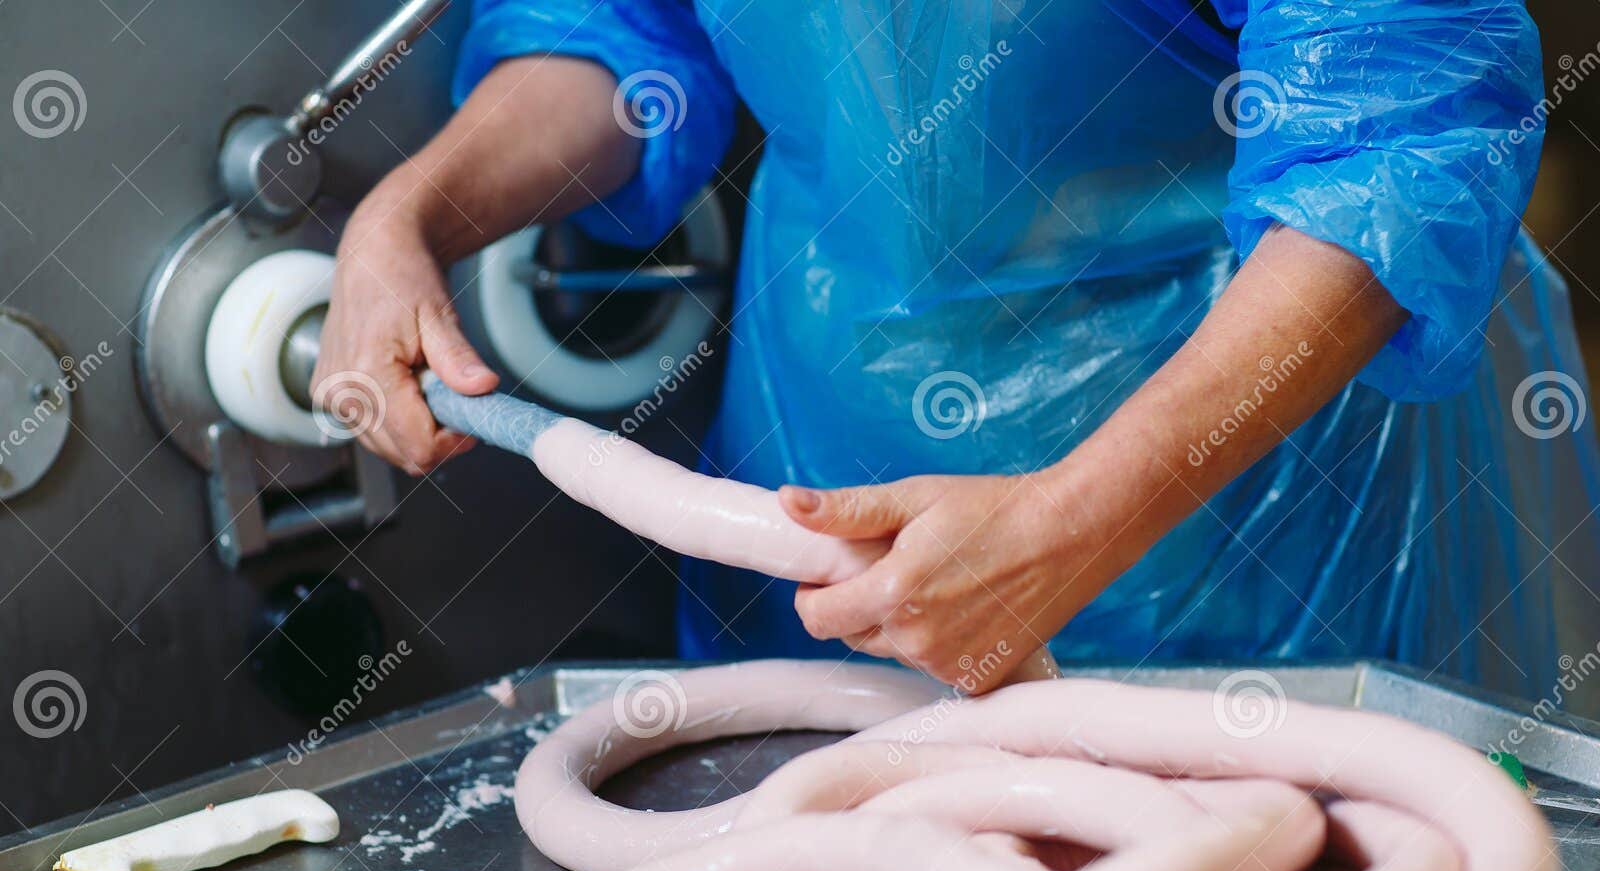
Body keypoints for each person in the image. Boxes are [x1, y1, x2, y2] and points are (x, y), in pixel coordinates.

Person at [315, 0, 1600, 702]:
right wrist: (409, 215)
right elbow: (623, 38)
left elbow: (1388, 156)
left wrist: (1077, 519)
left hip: (1249, 492)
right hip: (831, 421)